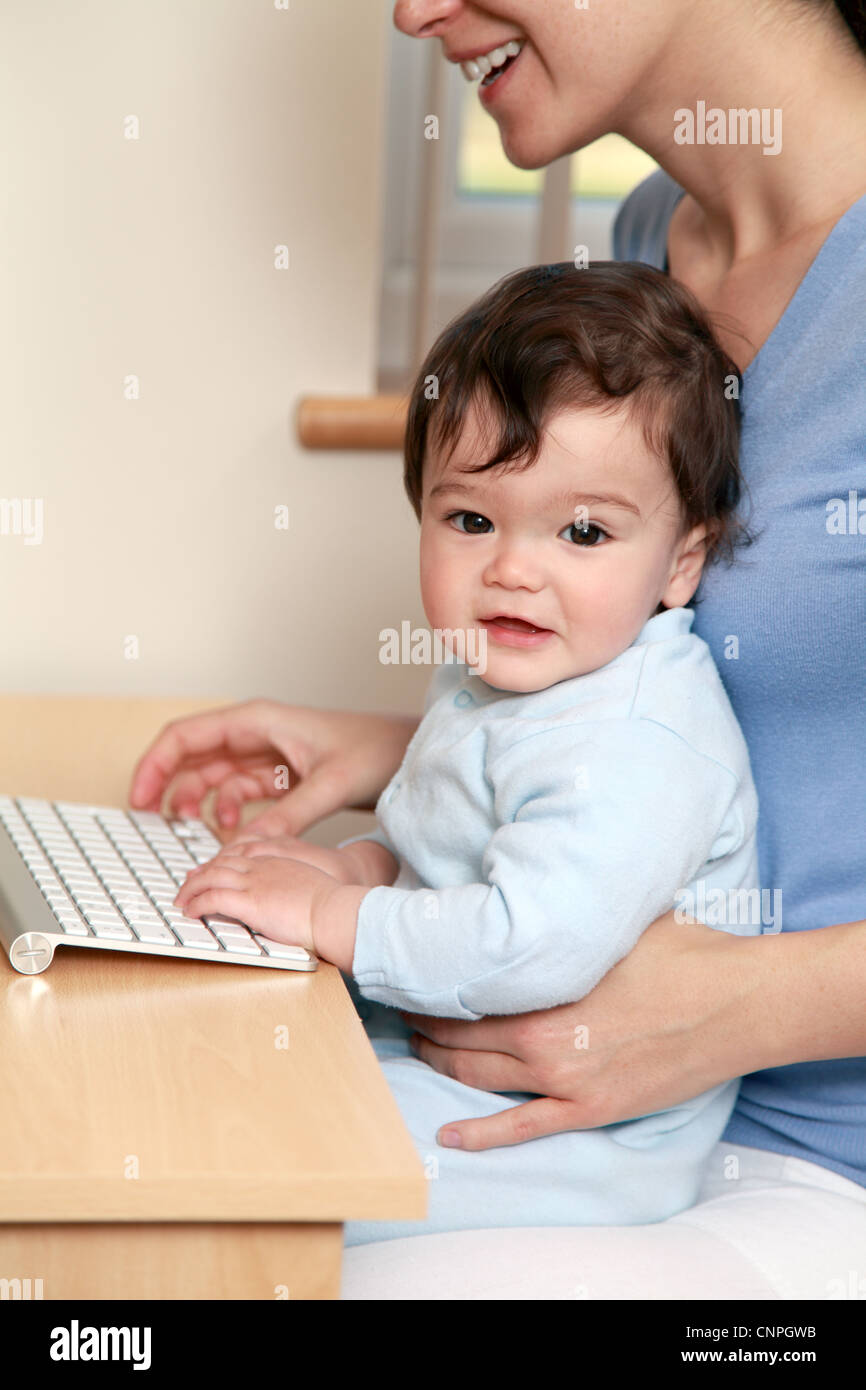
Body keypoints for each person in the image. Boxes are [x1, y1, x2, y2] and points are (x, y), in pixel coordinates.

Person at [129, 0, 866, 1290]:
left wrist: (734, 1009)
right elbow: (679, 719)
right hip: (558, 1078)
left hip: (800, 1158)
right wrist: (399, 757)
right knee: (157, 1144)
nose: (413, 9)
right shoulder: (651, 253)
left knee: (223, 1244)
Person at [173, 261, 764, 1242]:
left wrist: (333, 911)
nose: (511, 570)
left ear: (681, 561)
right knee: (194, 1050)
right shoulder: (506, 672)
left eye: (581, 531)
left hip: (567, 1139)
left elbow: (527, 939)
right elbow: (446, 839)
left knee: (254, 1157)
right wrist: (350, 867)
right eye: (469, 519)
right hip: (450, 1041)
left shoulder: (637, 739)